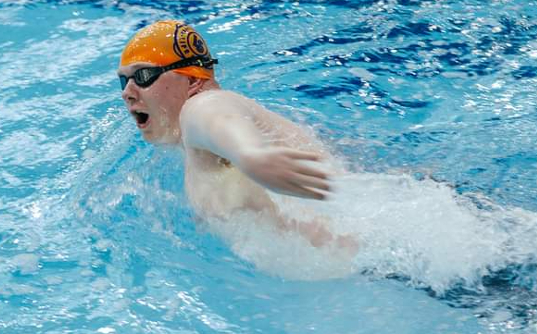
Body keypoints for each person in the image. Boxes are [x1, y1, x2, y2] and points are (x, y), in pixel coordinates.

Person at [117, 20, 358, 256]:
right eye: (123, 80)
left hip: (371, 258)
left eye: (143, 76)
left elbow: (219, 117)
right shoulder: (196, 146)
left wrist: (252, 155)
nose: (127, 92)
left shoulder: (199, 107)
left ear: (191, 80)